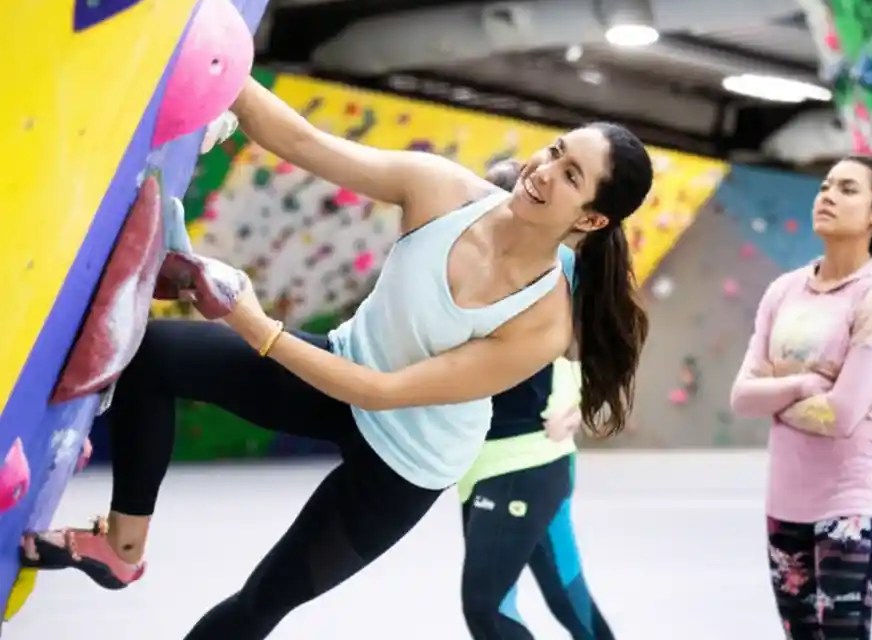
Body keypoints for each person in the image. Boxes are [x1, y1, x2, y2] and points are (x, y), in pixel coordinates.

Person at [20, 78, 653, 640]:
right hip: (342, 367)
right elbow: (299, 141)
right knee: (152, 355)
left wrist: (255, 326)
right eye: (555, 151)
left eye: (571, 176)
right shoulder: (442, 190)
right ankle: (121, 546)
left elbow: (384, 391)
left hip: (405, 462)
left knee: (259, 603)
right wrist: (216, 69)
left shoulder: (540, 322)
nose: (544, 172)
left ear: (593, 219)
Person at [729, 155, 872, 640]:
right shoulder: (783, 291)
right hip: (787, 496)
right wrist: (801, 386)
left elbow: (843, 414)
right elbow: (741, 396)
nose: (827, 195)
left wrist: (775, 399)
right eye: (826, 186)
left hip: (853, 497)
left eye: (847, 189)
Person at [457, 158, 614, 640]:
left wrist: (581, 399)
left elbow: (597, 343)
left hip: (526, 456)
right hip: (479, 461)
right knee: (564, 595)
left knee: (486, 606)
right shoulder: (464, 264)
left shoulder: (558, 265)